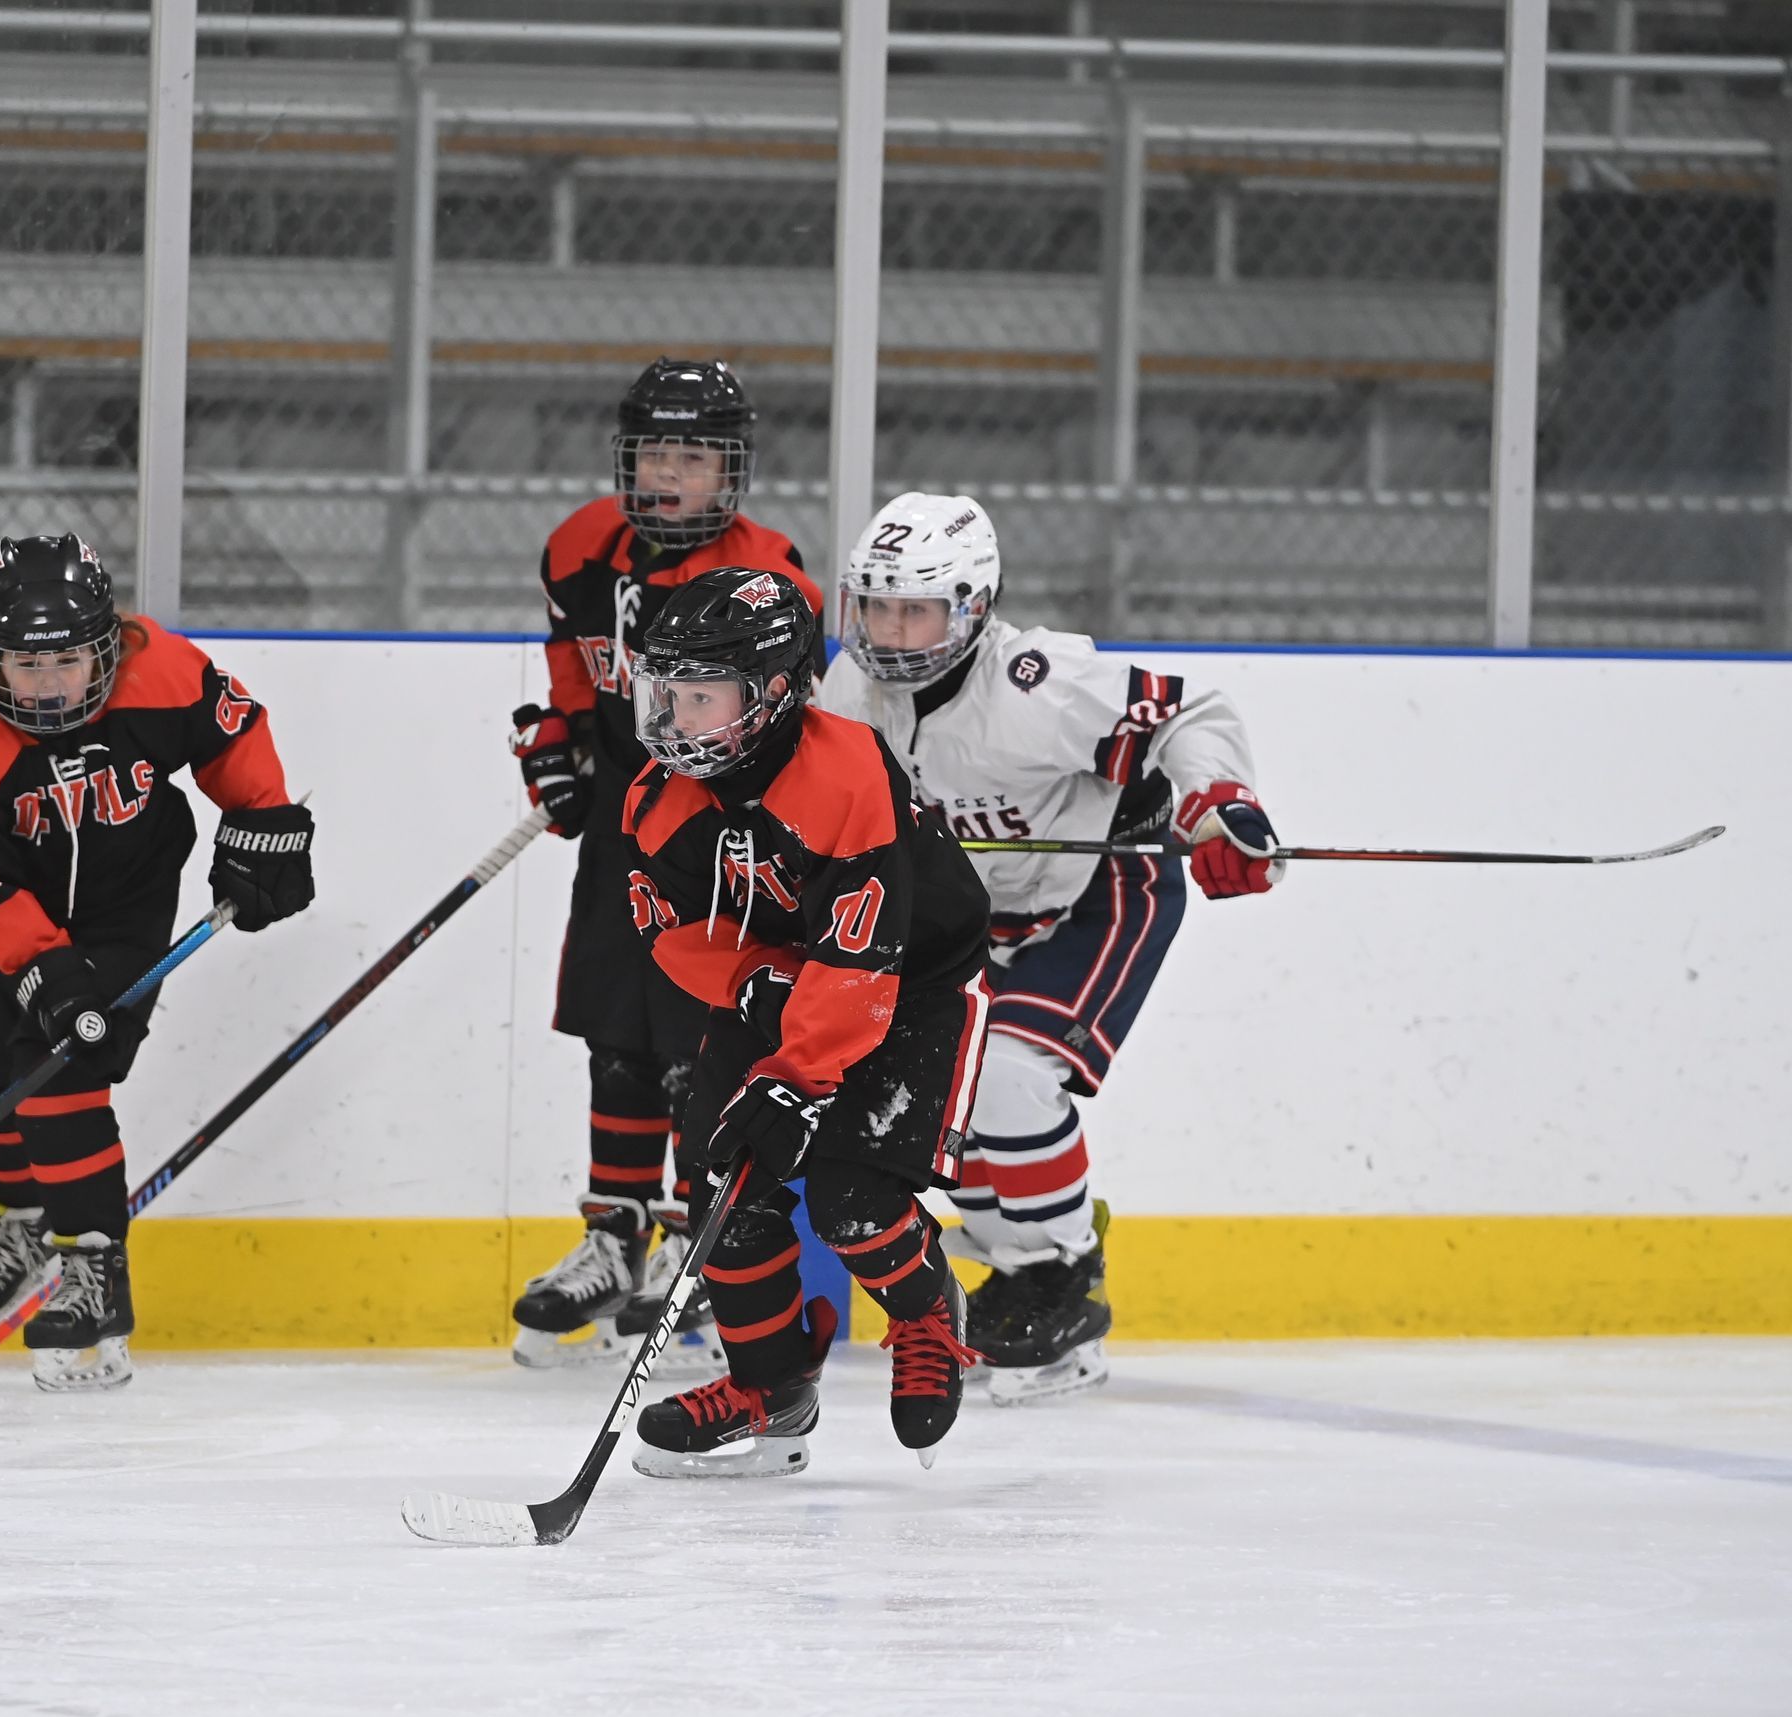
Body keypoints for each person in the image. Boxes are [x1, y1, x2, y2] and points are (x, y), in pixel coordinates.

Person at [815, 493, 1280, 1404]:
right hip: (972, 919)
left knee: (1009, 1073)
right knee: (940, 1088)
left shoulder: (1036, 684)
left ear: (975, 607)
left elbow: (1186, 715)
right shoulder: (850, 692)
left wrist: (1219, 802)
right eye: (876, 606)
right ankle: (1019, 1270)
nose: (892, 632)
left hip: (1102, 891)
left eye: (917, 609)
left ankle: (1067, 1278)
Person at [0, 534, 315, 1392]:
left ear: (109, 645)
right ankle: (24, 1221)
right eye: (26, 663)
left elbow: (233, 733)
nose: (50, 682)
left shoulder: (160, 670)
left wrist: (264, 823)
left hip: (124, 910)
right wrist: (39, 965)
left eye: (68, 659)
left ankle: (94, 1268)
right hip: (10, 917)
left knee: (61, 1067)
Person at [616, 566, 996, 1477]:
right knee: (722, 1181)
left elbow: (862, 959)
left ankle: (926, 1311)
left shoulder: (847, 769)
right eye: (667, 692)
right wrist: (752, 980)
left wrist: (797, 1075)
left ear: (775, 692)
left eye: (702, 697)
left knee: (852, 1199)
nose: (674, 719)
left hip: (914, 985)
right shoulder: (658, 802)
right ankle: (771, 1387)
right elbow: (670, 931)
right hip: (784, 982)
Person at [507, 358, 819, 1371]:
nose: (668, 475)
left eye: (692, 456)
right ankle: (616, 1233)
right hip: (621, 823)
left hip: (718, 836)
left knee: (701, 1038)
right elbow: (571, 671)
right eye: (652, 453)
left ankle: (699, 1238)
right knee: (615, 1029)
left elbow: (791, 721)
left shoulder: (769, 571)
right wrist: (556, 744)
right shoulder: (577, 549)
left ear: (731, 470)